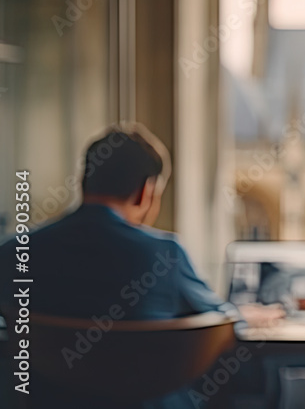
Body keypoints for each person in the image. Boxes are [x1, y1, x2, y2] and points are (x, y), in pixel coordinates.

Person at [0, 124, 278, 408]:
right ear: (146, 191)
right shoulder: (166, 255)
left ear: (84, 181)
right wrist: (243, 315)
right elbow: (220, 322)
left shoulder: (14, 252)